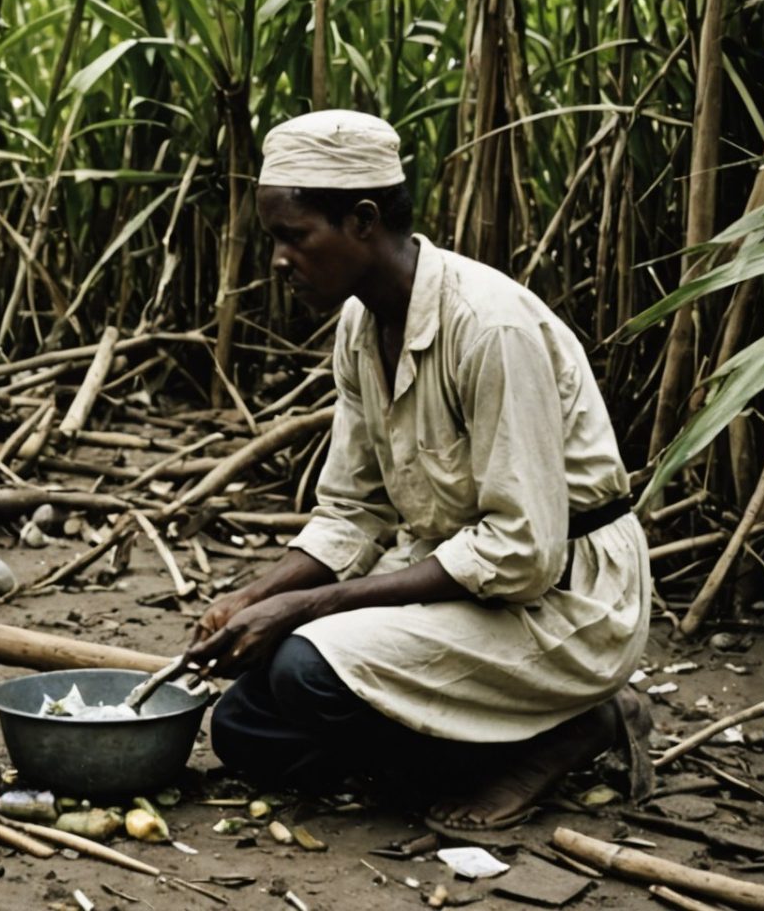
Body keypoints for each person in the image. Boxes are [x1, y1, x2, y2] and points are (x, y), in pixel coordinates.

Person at [186, 111, 652, 837]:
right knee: (245, 728)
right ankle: (468, 743)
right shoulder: (360, 324)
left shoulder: (490, 327)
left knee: (304, 671)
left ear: (364, 220)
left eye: (294, 236)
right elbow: (354, 512)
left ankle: (571, 728)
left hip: (562, 602)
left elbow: (523, 551)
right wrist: (257, 594)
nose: (278, 259)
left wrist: (311, 608)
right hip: (463, 581)